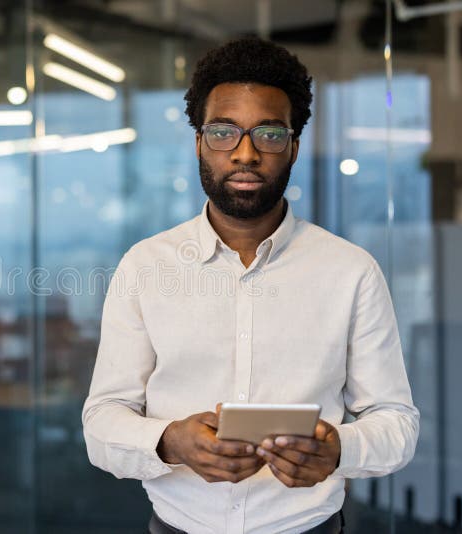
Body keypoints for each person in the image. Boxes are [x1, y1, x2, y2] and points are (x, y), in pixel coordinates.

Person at [82, 37, 418, 534]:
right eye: (223, 132)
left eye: (269, 134)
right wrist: (170, 441)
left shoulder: (351, 271)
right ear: (199, 141)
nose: (245, 153)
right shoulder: (144, 266)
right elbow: (102, 422)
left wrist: (338, 451)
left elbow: (396, 423)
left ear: (294, 147)